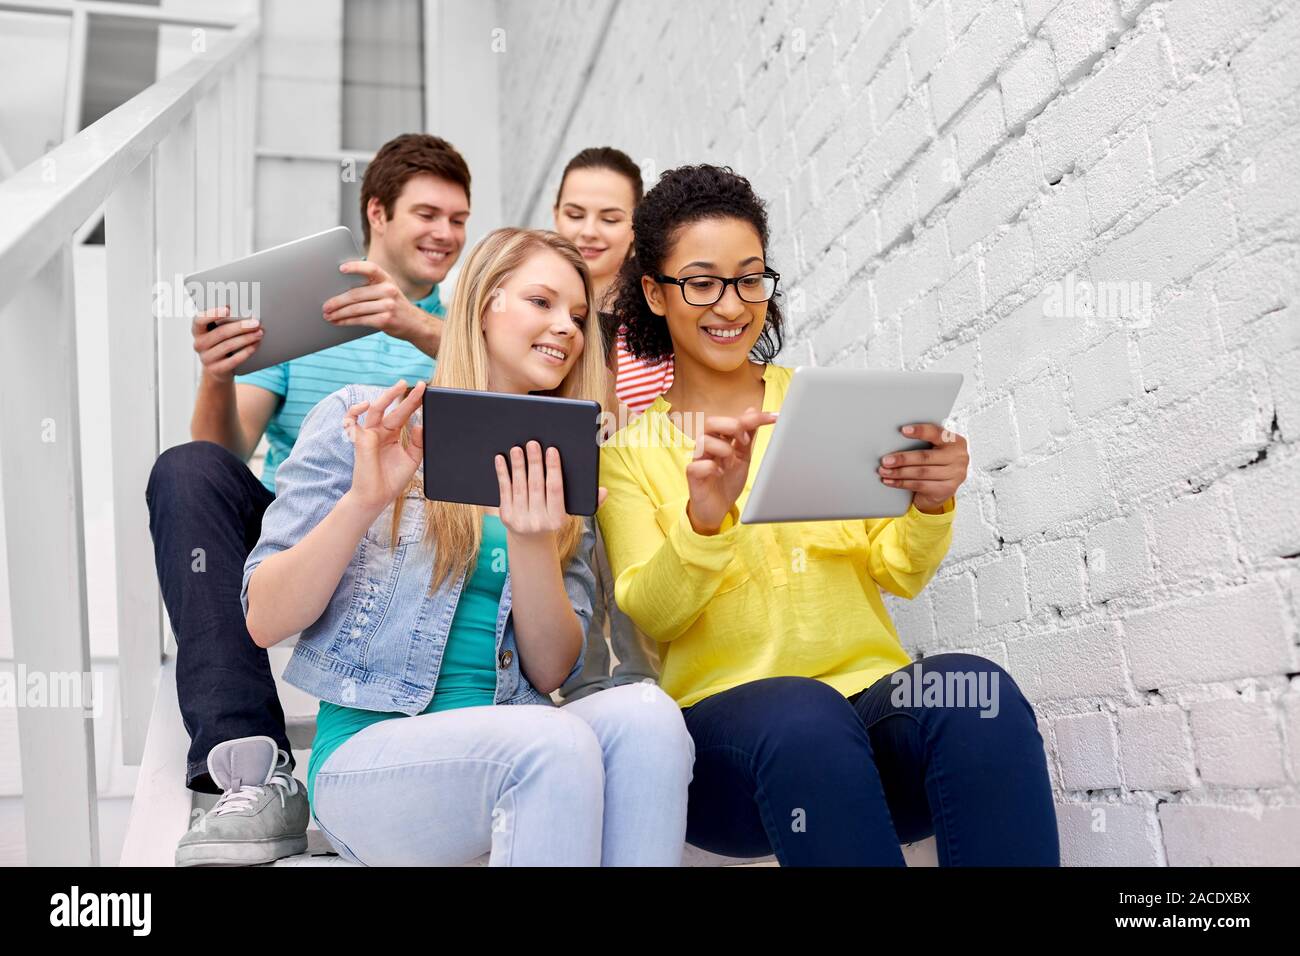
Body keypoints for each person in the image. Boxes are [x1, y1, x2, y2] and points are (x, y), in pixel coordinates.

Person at [596, 163, 1060, 866]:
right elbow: (652, 615)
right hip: (728, 752)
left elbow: (897, 571)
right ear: (657, 294)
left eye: (750, 278)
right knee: (802, 713)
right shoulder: (629, 452)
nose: (731, 305)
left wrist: (930, 503)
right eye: (702, 282)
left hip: (865, 717)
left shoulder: (823, 407)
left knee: (978, 696)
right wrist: (704, 521)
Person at [241, 228, 693, 866]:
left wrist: (534, 546)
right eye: (541, 302)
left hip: (520, 736)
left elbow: (551, 672)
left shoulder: (564, 470)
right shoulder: (366, 422)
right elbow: (265, 619)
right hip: (373, 760)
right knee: (551, 741)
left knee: (647, 715)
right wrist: (364, 501)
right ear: (484, 304)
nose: (565, 327)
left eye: (579, 316)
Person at [148, 133, 472, 866]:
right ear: (377, 212)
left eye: (459, 218)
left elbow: (509, 394)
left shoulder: (469, 328)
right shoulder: (306, 322)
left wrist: (413, 325)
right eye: (428, 213)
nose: (446, 234)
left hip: (426, 544)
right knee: (184, 470)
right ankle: (250, 763)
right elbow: (221, 454)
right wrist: (217, 375)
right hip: (310, 536)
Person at [550, 147, 661, 703]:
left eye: (610, 218)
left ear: (636, 229)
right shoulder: (543, 312)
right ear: (554, 214)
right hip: (567, 503)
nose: (589, 232)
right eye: (575, 214)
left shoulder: (659, 314)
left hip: (643, 501)